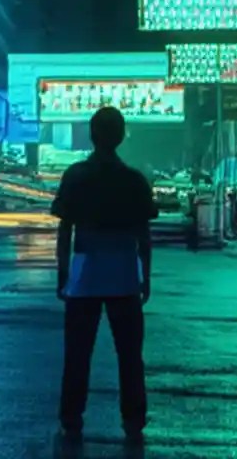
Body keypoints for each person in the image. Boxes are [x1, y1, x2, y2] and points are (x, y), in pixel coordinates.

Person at [52, 106, 156, 443]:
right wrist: (146, 276)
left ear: (91, 135)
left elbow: (65, 231)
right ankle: (133, 420)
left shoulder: (75, 176)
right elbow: (143, 236)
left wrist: (63, 274)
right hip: (124, 277)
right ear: (122, 136)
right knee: (129, 356)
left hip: (84, 277)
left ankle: (71, 418)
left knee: (78, 354)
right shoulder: (134, 180)